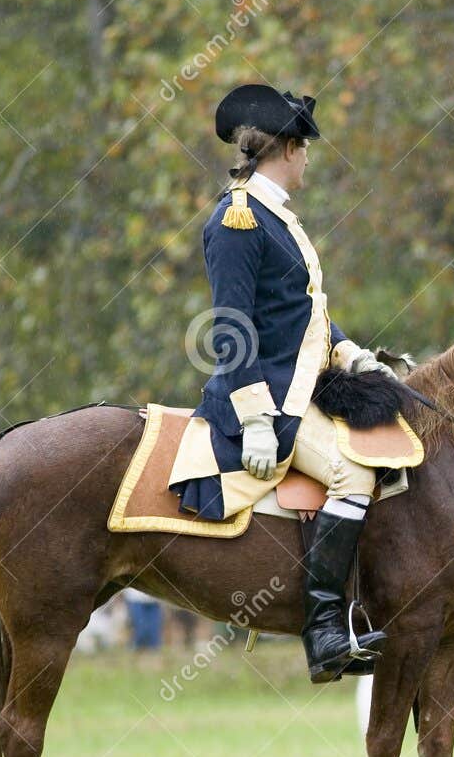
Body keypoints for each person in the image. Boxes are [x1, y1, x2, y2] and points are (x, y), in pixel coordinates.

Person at [168, 83, 401, 682]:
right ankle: (324, 630)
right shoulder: (240, 218)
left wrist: (352, 356)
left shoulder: (275, 216)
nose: (309, 161)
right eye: (306, 150)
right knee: (354, 471)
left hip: (300, 386)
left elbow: (304, 315)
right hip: (267, 400)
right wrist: (252, 417)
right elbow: (233, 329)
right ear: (289, 150)